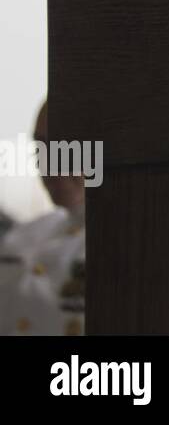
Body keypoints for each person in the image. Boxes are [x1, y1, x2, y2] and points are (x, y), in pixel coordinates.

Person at [0, 101, 86, 335]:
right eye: (40, 147)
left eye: (65, 148)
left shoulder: (135, 245)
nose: (48, 164)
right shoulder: (22, 237)